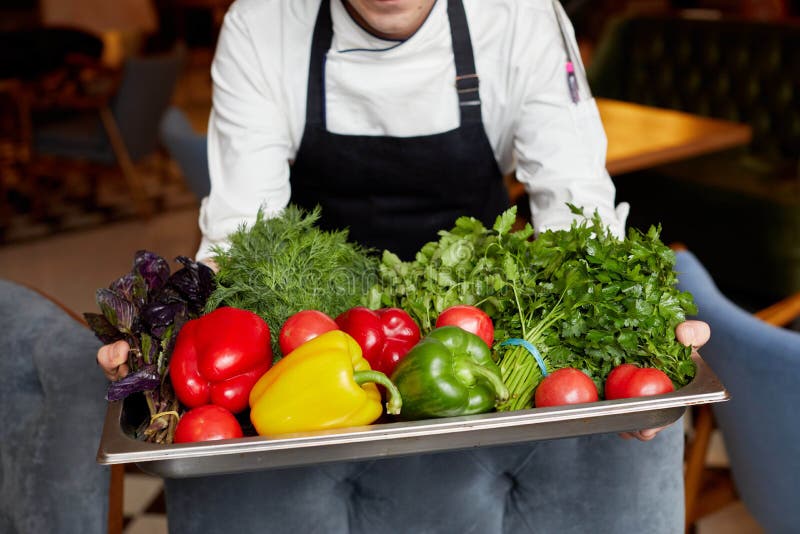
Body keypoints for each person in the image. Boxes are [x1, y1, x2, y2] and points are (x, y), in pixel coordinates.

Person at [98, 0, 712, 531]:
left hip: (479, 329)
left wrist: (631, 360)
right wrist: (164, 346)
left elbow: (576, 203)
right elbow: (239, 235)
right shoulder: (262, 23)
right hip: (318, 341)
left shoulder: (518, 16)